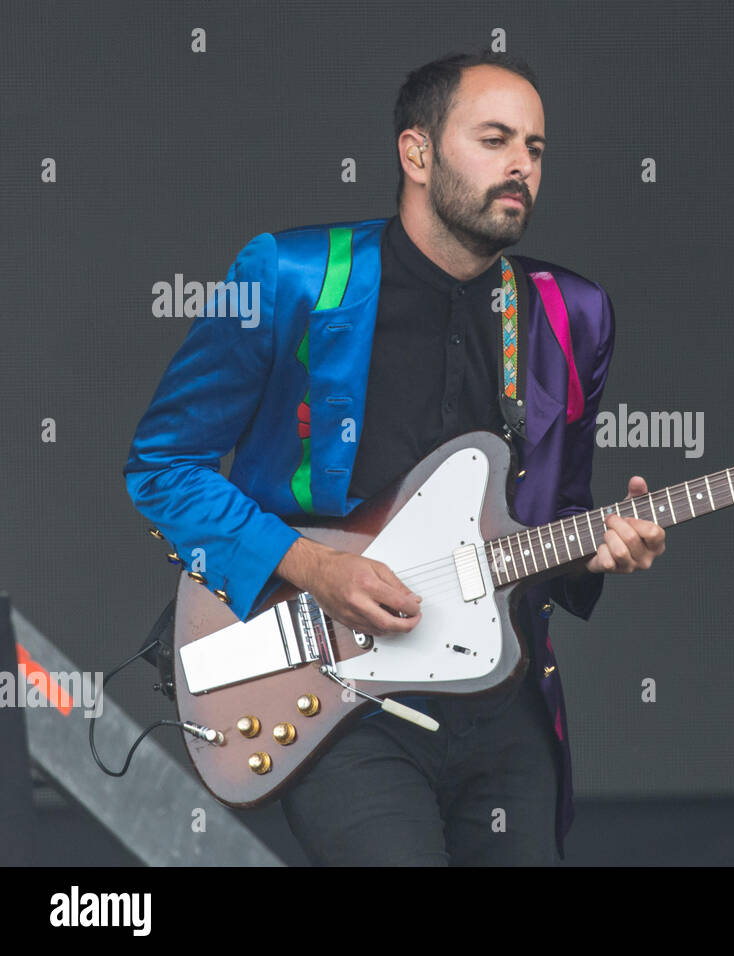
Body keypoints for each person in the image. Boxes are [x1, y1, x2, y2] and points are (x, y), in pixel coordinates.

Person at [123, 50, 666, 865]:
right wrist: (311, 565)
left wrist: (604, 549)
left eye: (536, 148)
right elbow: (163, 466)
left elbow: (553, 518)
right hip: (336, 696)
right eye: (495, 139)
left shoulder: (569, 313)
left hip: (499, 699)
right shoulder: (293, 277)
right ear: (417, 154)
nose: (521, 165)